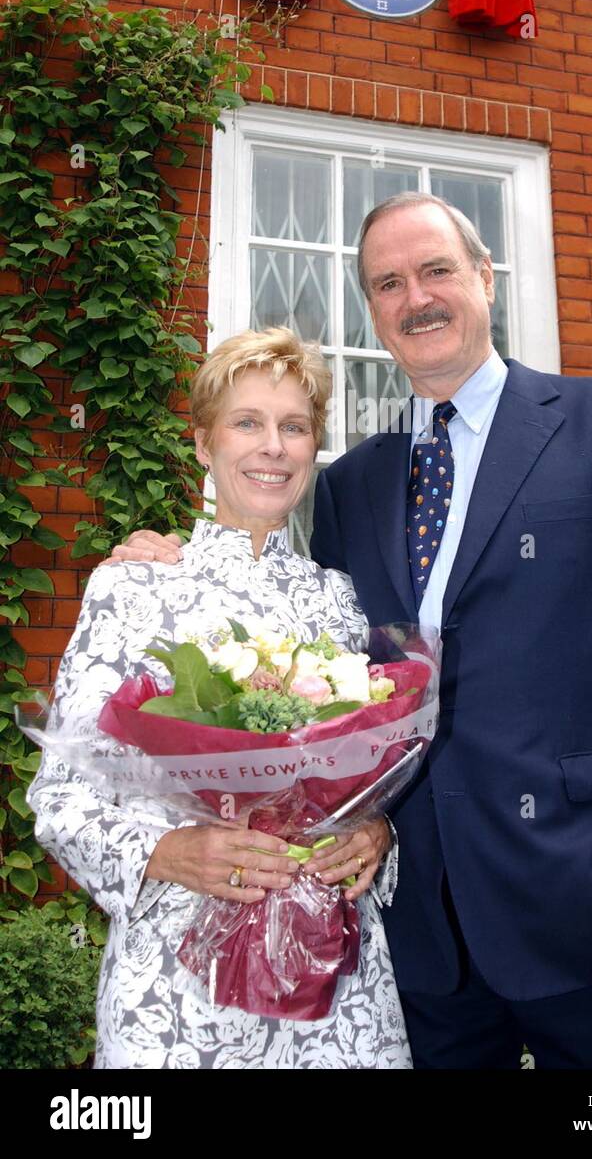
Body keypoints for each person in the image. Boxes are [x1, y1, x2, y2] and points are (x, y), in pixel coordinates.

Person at [113, 192, 592, 1070]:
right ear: (374, 310)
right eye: (388, 283)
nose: (417, 298)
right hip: (419, 931)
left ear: (484, 277)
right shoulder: (351, 486)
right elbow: (331, 682)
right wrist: (170, 561)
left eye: (436, 270)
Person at [26, 328, 411, 1070]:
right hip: (177, 986)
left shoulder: (342, 601)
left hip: (338, 985)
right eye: (247, 423)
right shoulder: (135, 586)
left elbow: (371, 776)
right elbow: (61, 797)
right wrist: (169, 852)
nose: (273, 447)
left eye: (293, 427)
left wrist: (377, 835)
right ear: (204, 443)